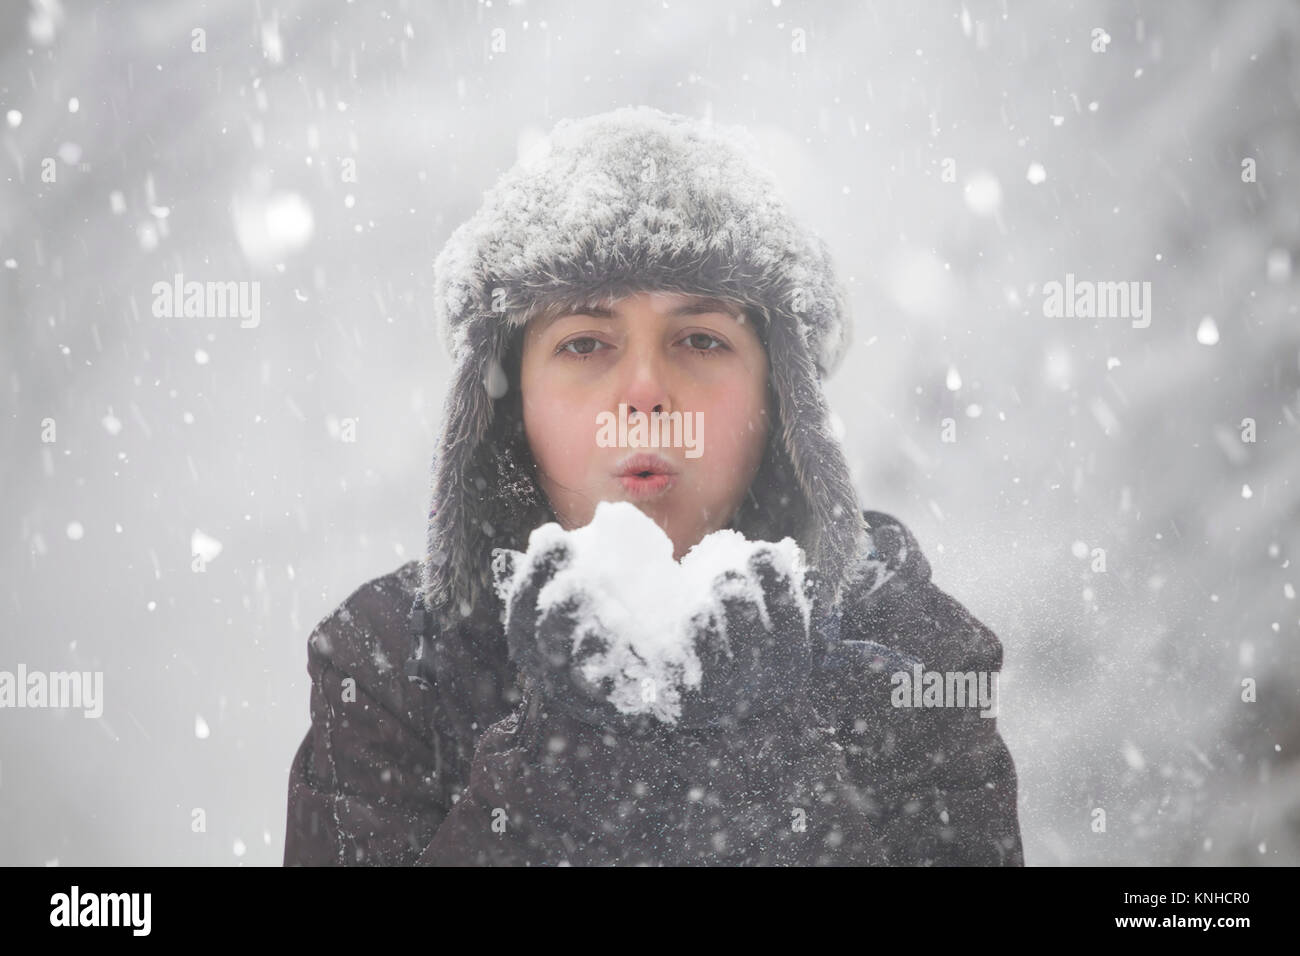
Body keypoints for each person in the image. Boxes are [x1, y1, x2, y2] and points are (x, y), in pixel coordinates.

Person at [282, 106, 1024, 866]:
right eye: (584, 343)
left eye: (701, 339)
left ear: (782, 404)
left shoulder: (915, 658)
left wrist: (764, 771)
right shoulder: (386, 668)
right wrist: (563, 775)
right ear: (508, 405)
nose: (644, 391)